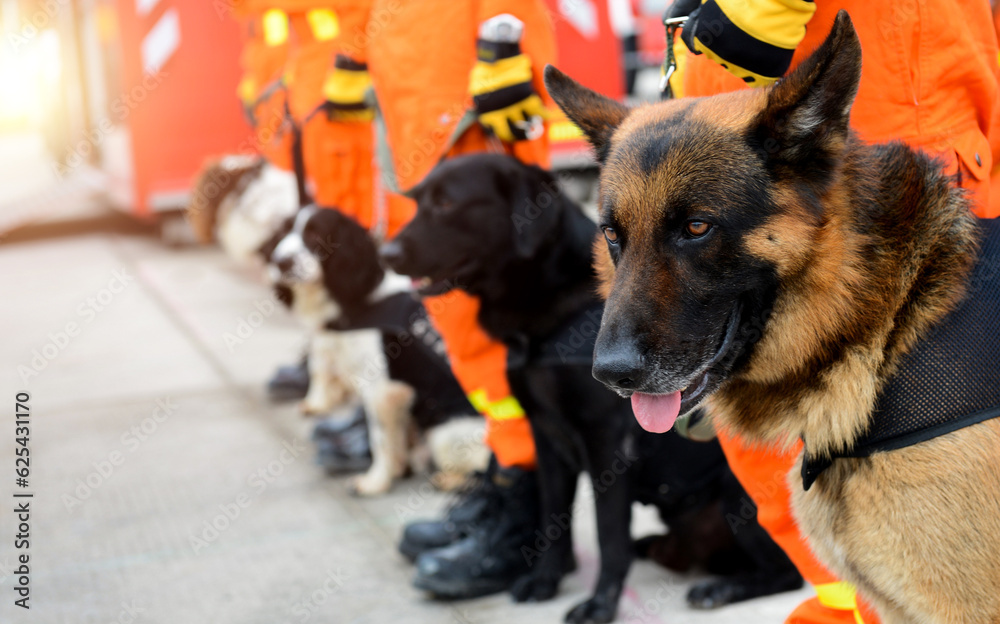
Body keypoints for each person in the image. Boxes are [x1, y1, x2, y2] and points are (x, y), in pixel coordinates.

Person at [665, 0, 1000, 621]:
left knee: (909, 486)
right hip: (742, 99)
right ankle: (847, 608)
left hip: (869, 125)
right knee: (776, 437)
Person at [353, 0, 558, 598]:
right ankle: (507, 476)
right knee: (462, 322)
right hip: (422, 94)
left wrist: (504, 39)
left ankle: (531, 517)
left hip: (470, 93)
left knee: (502, 322)